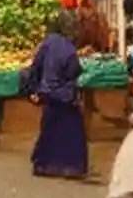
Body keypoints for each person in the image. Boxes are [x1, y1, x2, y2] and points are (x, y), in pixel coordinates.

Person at [25, 12, 90, 180]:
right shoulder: (69, 49)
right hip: (65, 96)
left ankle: (44, 164)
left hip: (48, 94)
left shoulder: (47, 43)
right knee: (72, 132)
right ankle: (71, 167)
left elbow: (36, 67)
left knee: (50, 130)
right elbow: (73, 71)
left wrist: (34, 89)